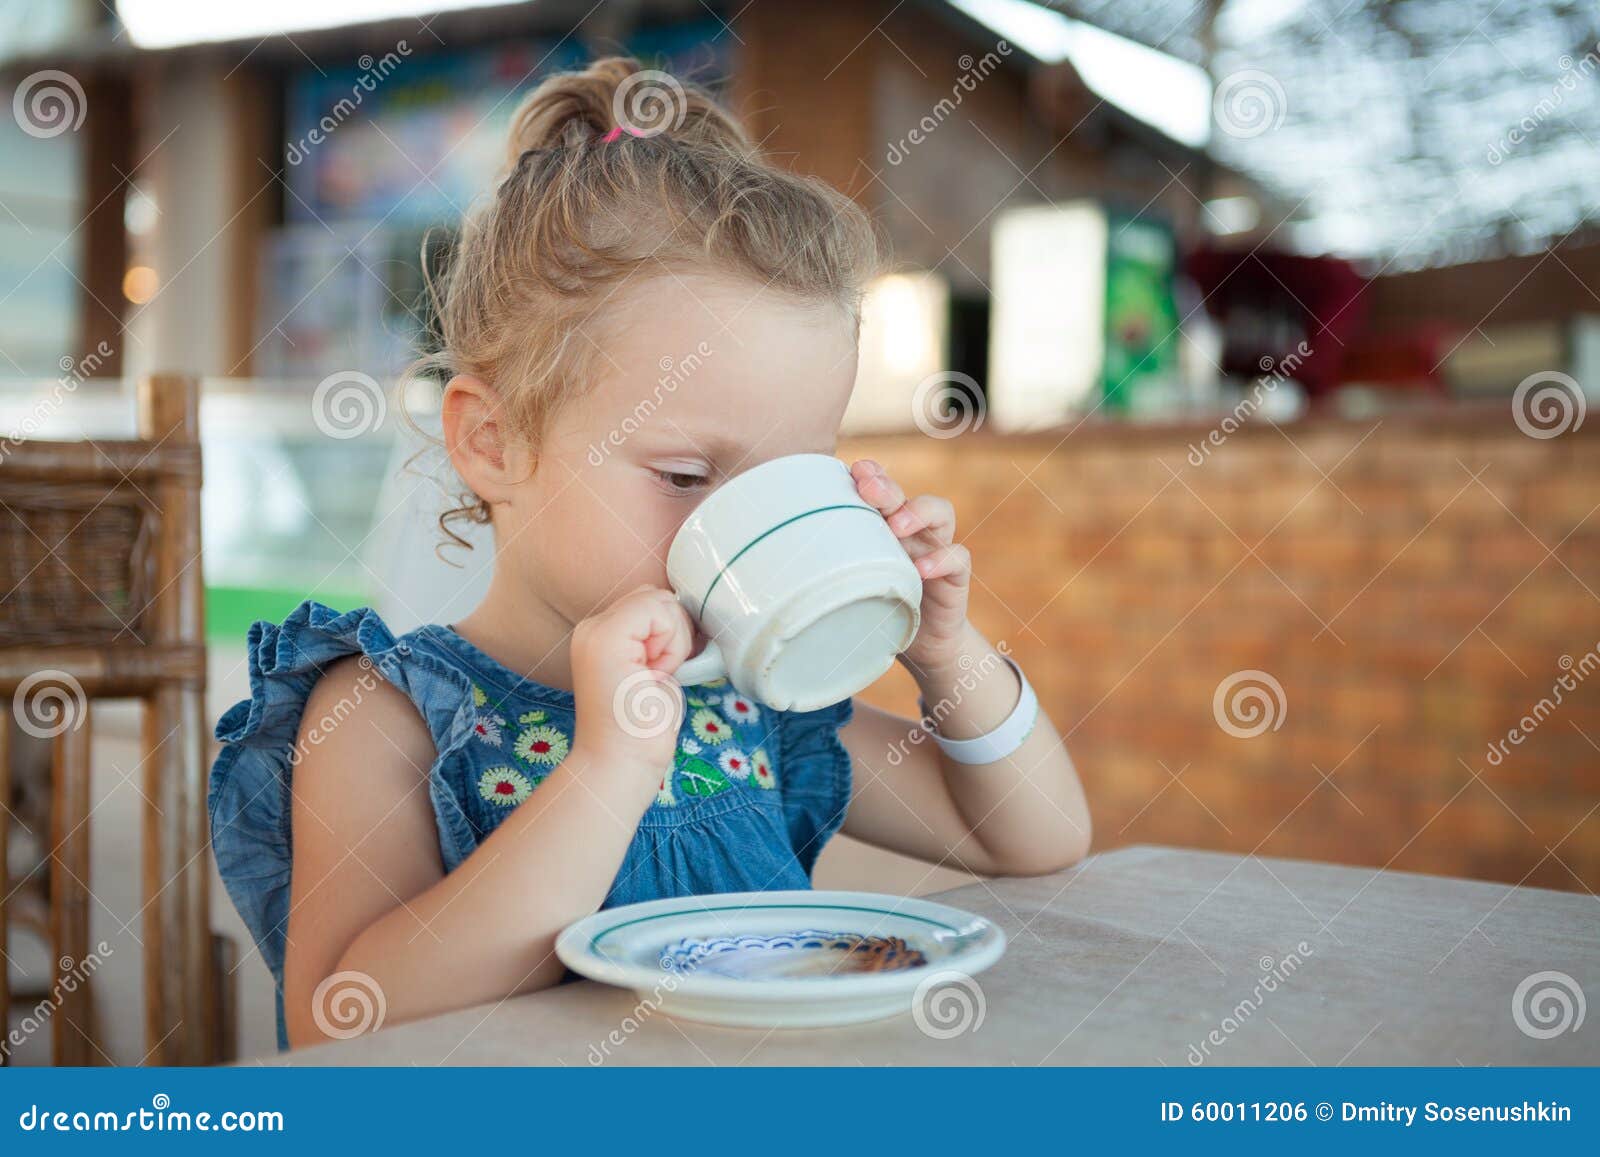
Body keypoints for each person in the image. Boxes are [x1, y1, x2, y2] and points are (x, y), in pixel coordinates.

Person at [210, 57, 1090, 1050]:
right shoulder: (386, 718)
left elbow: (1036, 837)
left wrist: (945, 652)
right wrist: (607, 768)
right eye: (683, 474)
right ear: (493, 442)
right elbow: (337, 1023)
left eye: (790, 478)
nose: (739, 528)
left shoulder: (751, 711)